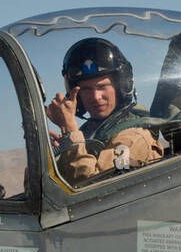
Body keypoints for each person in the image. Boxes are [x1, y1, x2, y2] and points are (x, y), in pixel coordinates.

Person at [46, 37, 163, 185]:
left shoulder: (134, 135)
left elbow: (89, 186)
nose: (96, 97)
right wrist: (48, 153)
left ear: (120, 87)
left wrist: (70, 129)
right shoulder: (86, 135)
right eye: (86, 89)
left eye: (102, 86)